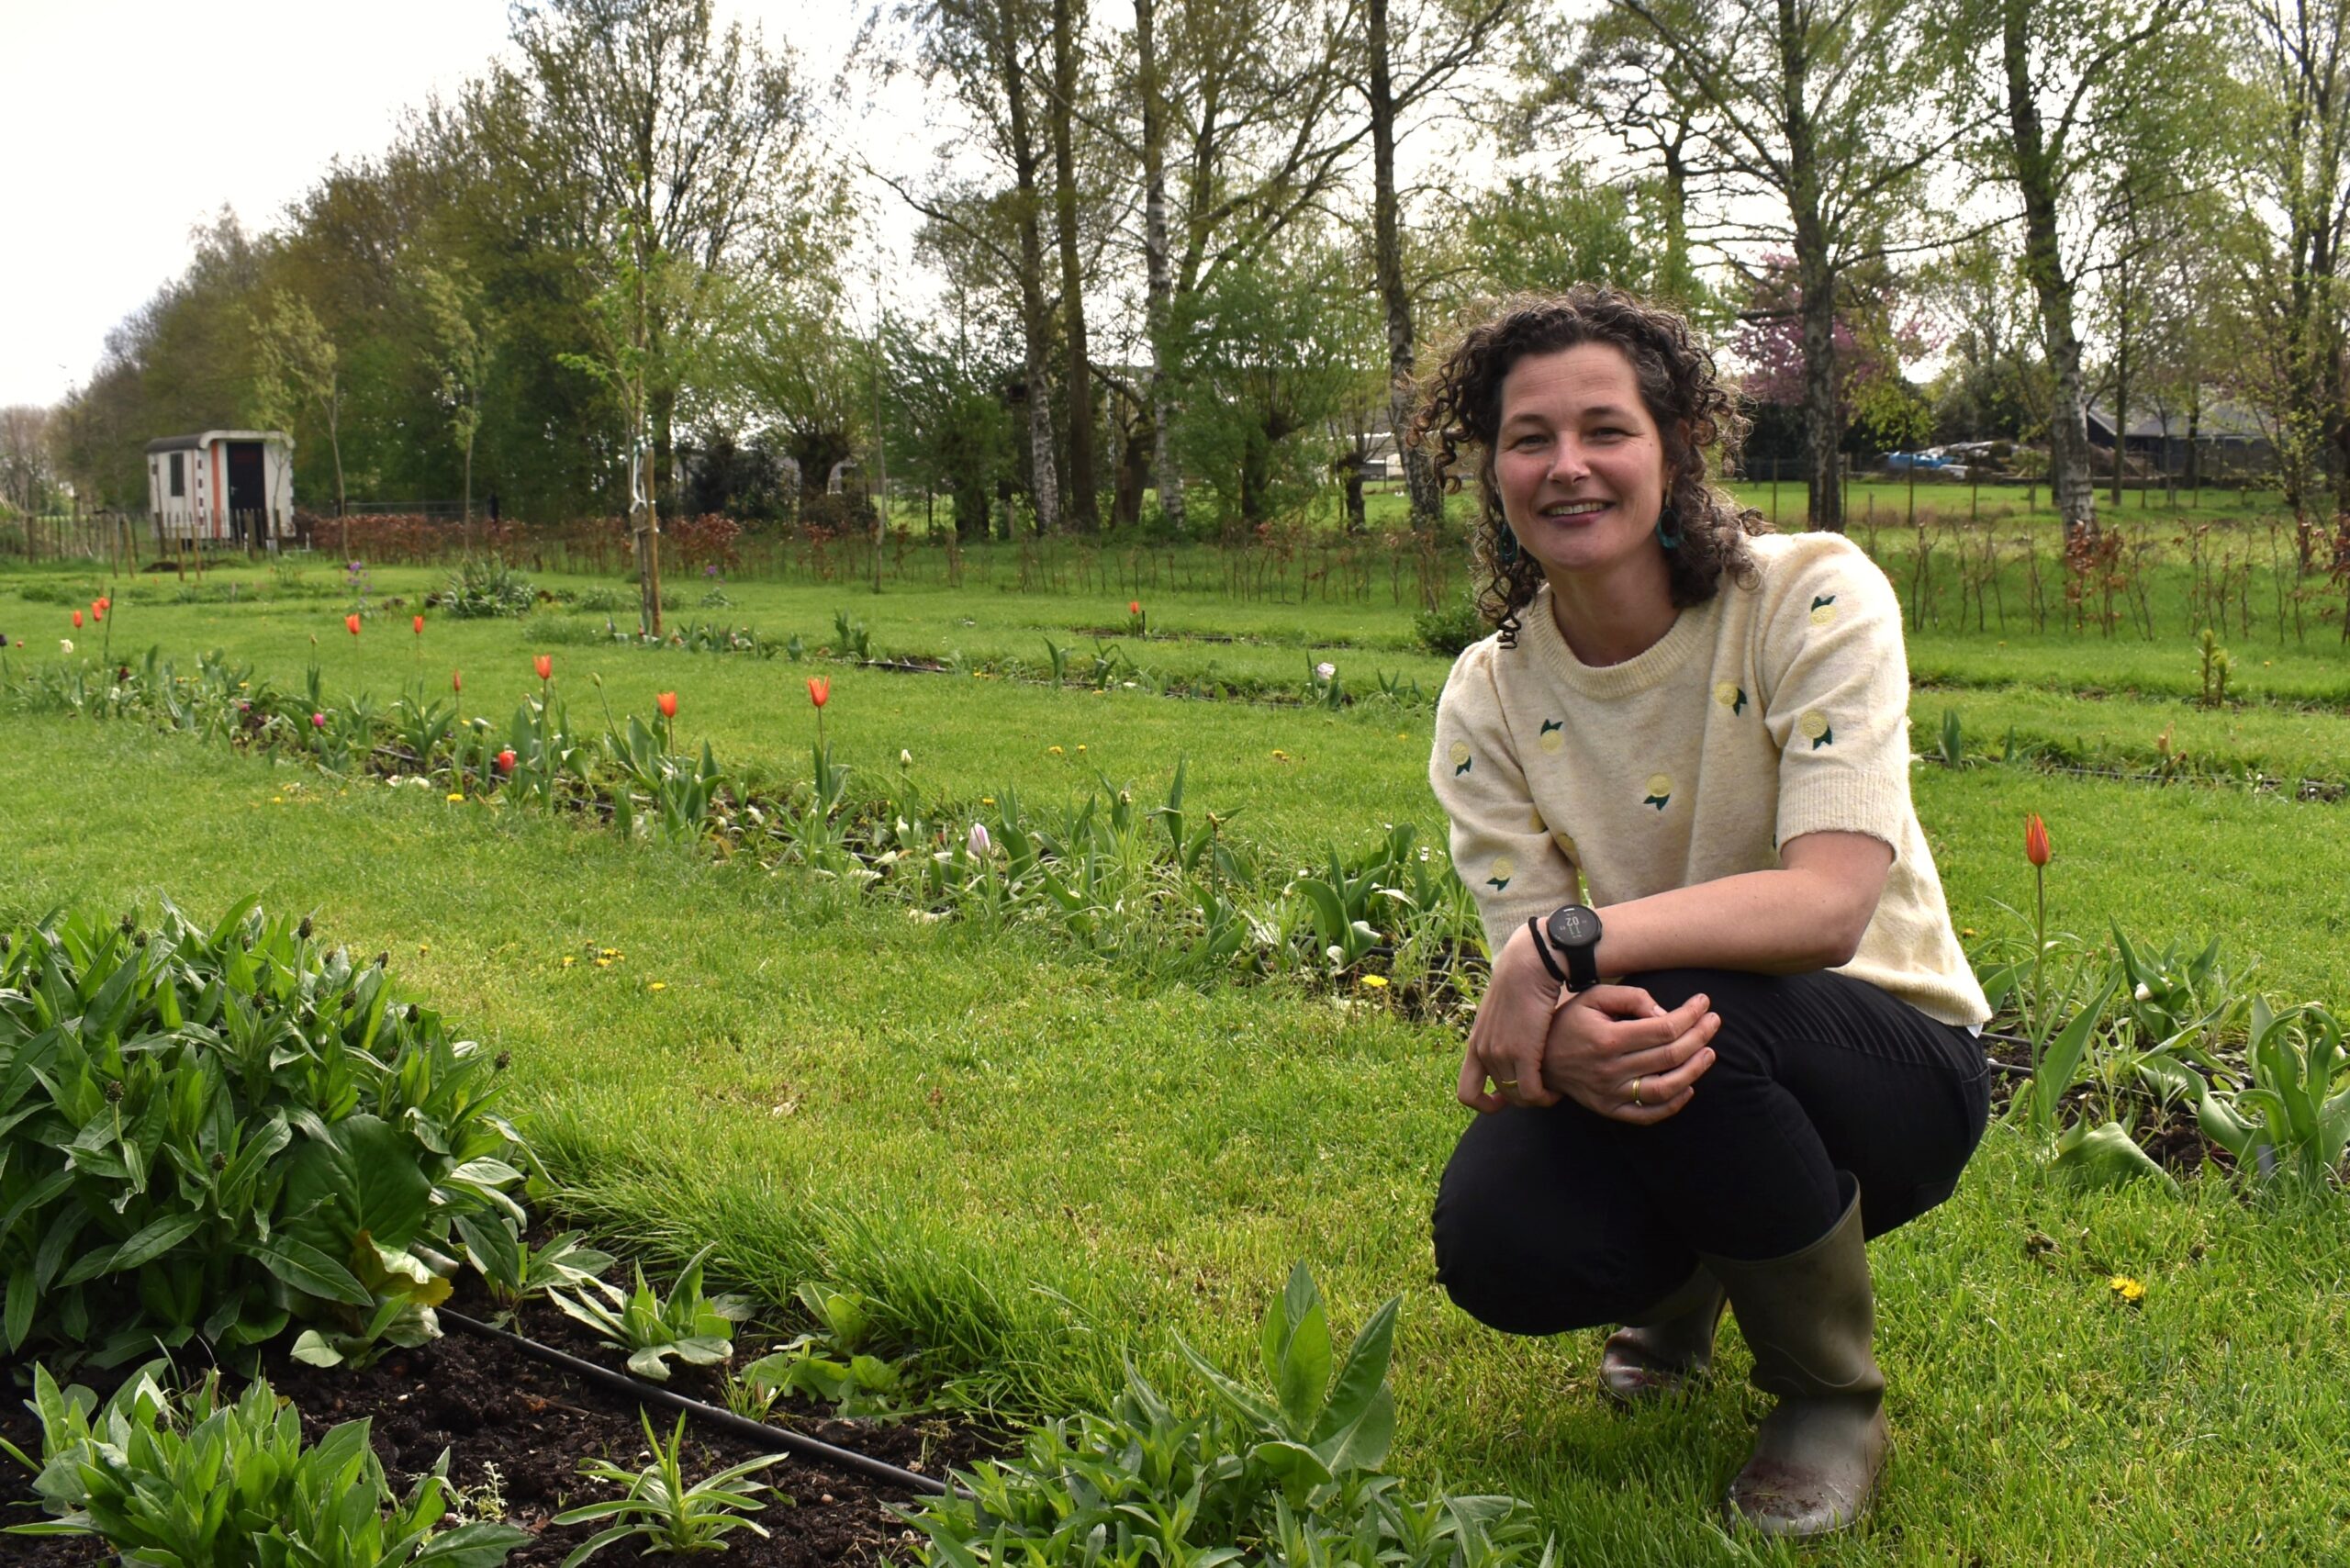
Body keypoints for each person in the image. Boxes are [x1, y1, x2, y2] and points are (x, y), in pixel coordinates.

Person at [1414, 287, 1991, 1538]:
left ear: (1675, 447)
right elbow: (1545, 980)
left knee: (1696, 1010)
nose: (1567, 467)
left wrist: (1564, 952)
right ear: (1492, 470)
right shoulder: (1489, 696)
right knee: (1500, 1237)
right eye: (1528, 438)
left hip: (1886, 1059)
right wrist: (1564, 1031)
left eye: (1606, 429)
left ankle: (1828, 1397)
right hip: (1679, 1036)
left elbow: (1829, 904)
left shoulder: (1809, 596)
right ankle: (1684, 1289)